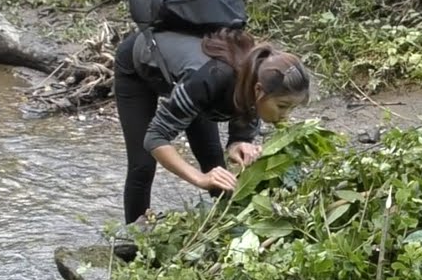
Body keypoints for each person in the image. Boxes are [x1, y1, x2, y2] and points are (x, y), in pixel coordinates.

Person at [112, 26, 311, 224]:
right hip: (138, 68)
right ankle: (131, 243)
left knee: (213, 159)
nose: (285, 117)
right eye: (283, 106)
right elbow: (155, 138)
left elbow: (239, 137)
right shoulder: (210, 79)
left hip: (193, 83)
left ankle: (230, 226)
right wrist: (200, 179)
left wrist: (238, 145)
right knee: (143, 165)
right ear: (259, 90)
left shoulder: (255, 83)